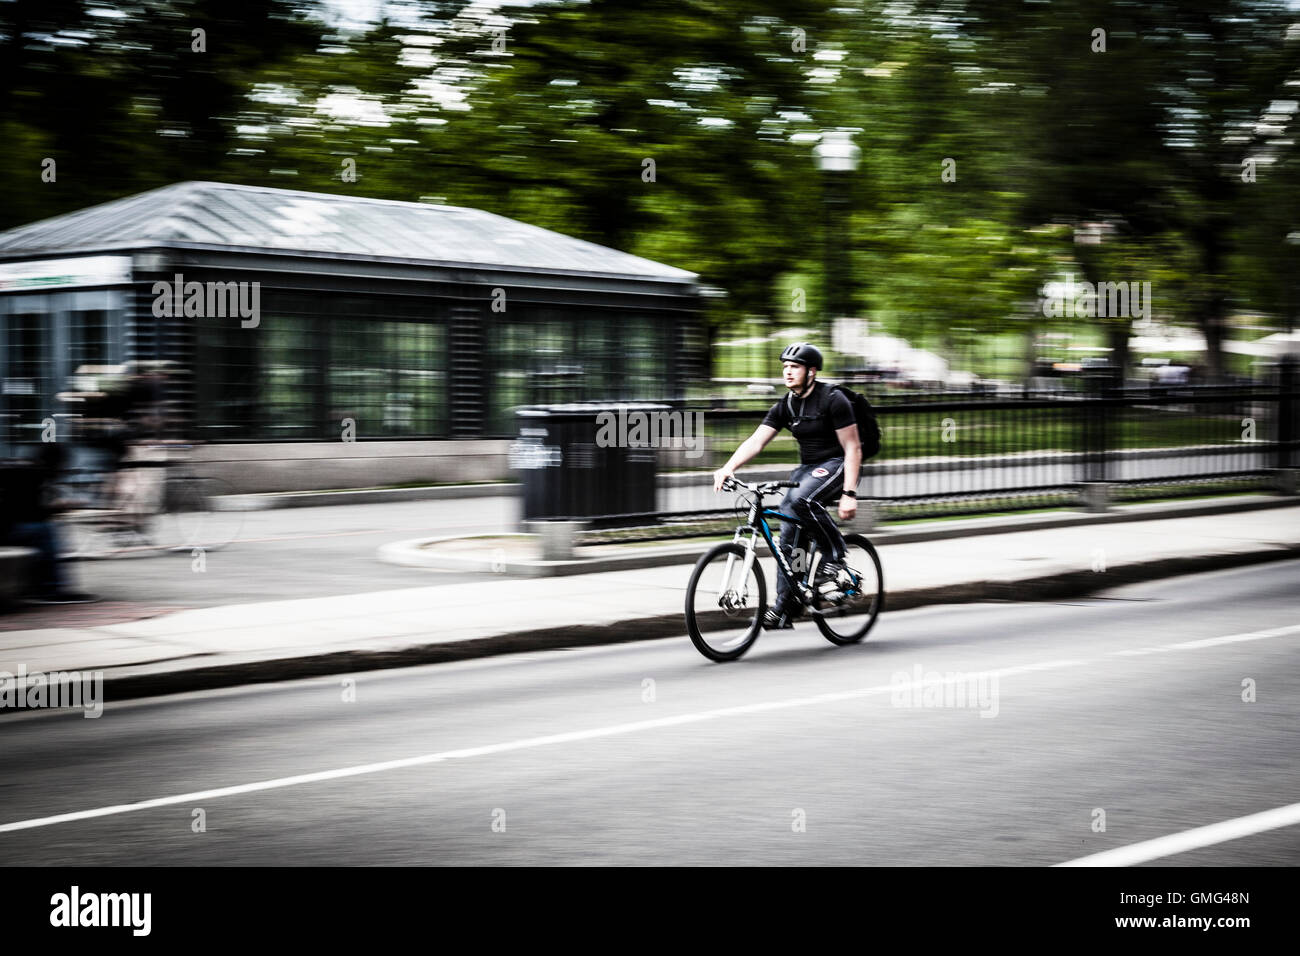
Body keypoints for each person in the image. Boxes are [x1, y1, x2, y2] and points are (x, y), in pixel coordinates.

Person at [713, 342, 862, 630]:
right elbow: (757, 441)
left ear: (812, 371)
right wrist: (728, 467)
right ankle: (787, 605)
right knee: (789, 530)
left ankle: (835, 554)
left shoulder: (833, 399)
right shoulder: (786, 404)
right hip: (808, 469)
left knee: (801, 501)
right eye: (785, 367)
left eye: (794, 367)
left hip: (837, 463)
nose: (788, 372)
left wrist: (849, 493)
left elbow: (853, 447)